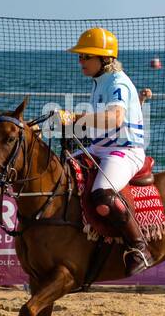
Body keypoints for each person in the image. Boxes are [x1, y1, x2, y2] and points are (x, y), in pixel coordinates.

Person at [58, 27, 151, 275]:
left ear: (104, 59)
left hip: (124, 152)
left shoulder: (118, 82)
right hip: (99, 149)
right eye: (80, 56)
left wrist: (76, 118)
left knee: (102, 193)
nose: (80, 61)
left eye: (85, 56)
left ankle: (139, 247)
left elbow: (115, 118)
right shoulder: (100, 82)